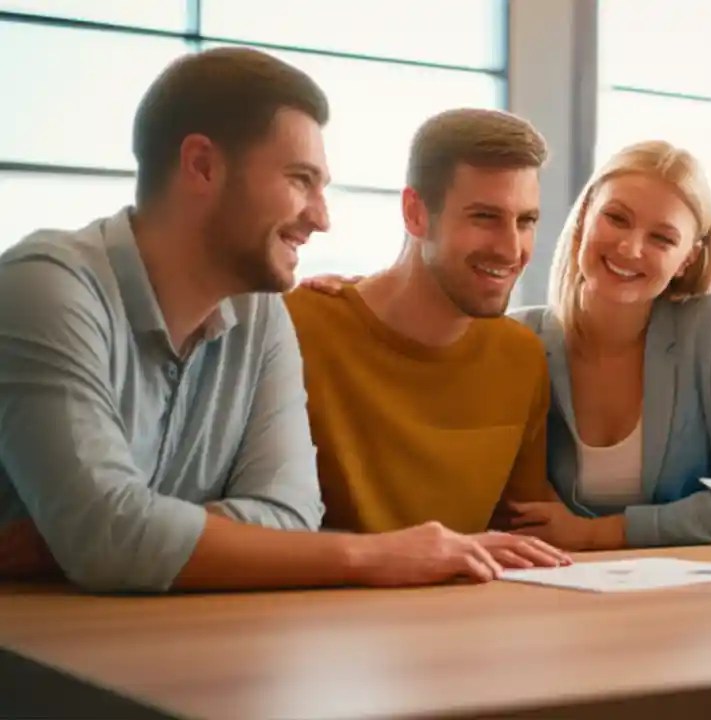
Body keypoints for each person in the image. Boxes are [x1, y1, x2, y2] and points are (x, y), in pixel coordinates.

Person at [0, 47, 563, 593]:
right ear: (202, 166)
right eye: (300, 180)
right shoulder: (44, 285)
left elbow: (291, 513)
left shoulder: (260, 313)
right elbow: (107, 535)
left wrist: (112, 530)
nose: (321, 217)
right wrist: (373, 554)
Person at [284, 109, 571, 569]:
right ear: (415, 213)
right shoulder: (301, 329)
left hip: (464, 625)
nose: (511, 249)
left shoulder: (520, 358)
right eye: (484, 217)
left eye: (526, 221)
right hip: (320, 623)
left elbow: (520, 536)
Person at [506, 141, 711, 550]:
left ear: (687, 260)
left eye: (661, 238)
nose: (630, 248)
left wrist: (596, 534)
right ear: (586, 214)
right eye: (616, 218)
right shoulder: (517, 341)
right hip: (551, 598)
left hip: (698, 603)